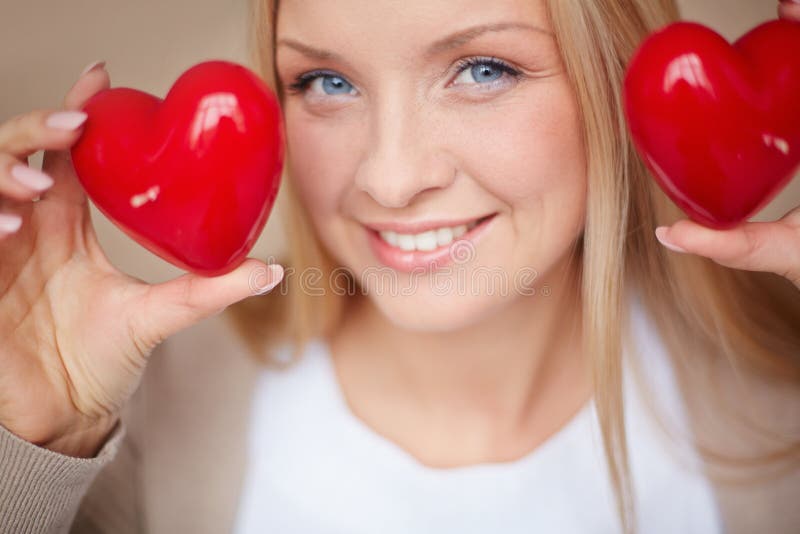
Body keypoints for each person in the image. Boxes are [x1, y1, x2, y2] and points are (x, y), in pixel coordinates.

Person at [1, 0, 799, 533]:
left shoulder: (783, 382)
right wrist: (35, 444)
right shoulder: (155, 408)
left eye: (484, 70)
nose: (389, 176)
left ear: (622, 78)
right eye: (327, 82)